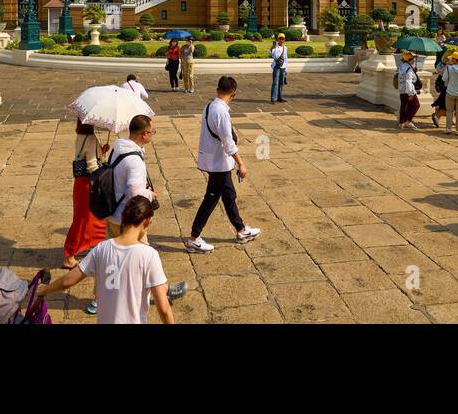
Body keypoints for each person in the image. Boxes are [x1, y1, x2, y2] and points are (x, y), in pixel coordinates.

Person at [41, 197, 175, 324]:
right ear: (147, 223)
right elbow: (163, 309)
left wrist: (44, 290)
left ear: (123, 217)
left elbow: (67, 281)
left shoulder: (102, 248)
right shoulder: (149, 255)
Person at [186, 76, 260, 253]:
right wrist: (241, 164)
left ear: (218, 89)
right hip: (218, 163)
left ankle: (241, 230)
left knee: (229, 196)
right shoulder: (220, 111)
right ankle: (193, 238)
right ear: (233, 94)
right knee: (210, 200)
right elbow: (228, 143)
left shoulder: (210, 106)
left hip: (217, 160)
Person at [63, 120, 109, 270]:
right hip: (89, 183)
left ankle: (90, 245)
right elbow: (91, 164)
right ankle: (70, 254)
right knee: (87, 218)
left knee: (84, 217)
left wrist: (101, 150)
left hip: (81, 183)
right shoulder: (90, 138)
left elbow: (86, 154)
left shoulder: (81, 136)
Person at [109, 114, 156, 238]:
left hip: (113, 212)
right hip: (128, 220)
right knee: (141, 254)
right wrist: (149, 194)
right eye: (152, 132)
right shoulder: (135, 161)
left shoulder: (118, 149)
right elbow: (135, 194)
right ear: (144, 134)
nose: (153, 134)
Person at [396, 50, 422, 130]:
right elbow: (408, 82)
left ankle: (401, 122)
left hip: (402, 89)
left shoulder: (401, 66)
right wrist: (410, 94)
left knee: (404, 106)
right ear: (409, 60)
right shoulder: (408, 69)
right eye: (412, 59)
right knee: (416, 105)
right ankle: (408, 120)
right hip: (408, 90)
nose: (413, 60)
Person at [268, 33, 288, 104]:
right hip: (277, 66)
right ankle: (273, 98)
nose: (281, 40)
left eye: (283, 39)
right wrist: (273, 46)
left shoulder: (285, 48)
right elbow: (271, 54)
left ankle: (279, 97)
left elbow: (286, 59)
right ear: (278, 39)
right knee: (275, 82)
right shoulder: (275, 47)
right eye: (280, 39)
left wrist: (286, 70)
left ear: (284, 40)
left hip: (283, 66)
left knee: (281, 83)